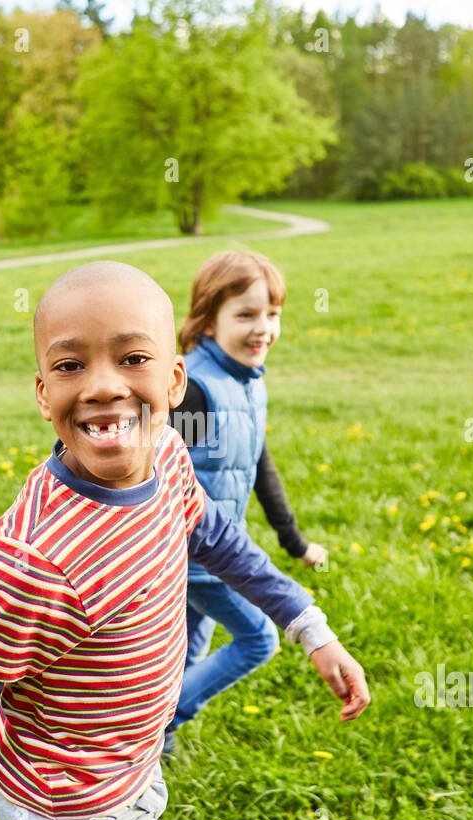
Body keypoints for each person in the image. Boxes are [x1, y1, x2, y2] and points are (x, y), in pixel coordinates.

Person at [0, 260, 370, 820]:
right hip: (75, 808)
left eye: (133, 358)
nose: (102, 386)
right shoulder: (33, 564)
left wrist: (306, 624)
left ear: (175, 381)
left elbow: (215, 536)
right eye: (70, 365)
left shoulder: (166, 453)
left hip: (130, 764)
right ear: (43, 393)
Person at [164, 250, 326, 752]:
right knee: (259, 638)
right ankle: (151, 726)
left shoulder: (248, 383)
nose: (263, 329)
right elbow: (157, 471)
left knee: (185, 656)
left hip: (217, 554)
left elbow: (260, 467)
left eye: (272, 314)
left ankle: (153, 750)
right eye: (246, 314)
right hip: (192, 556)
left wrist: (295, 543)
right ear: (208, 321)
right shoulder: (194, 390)